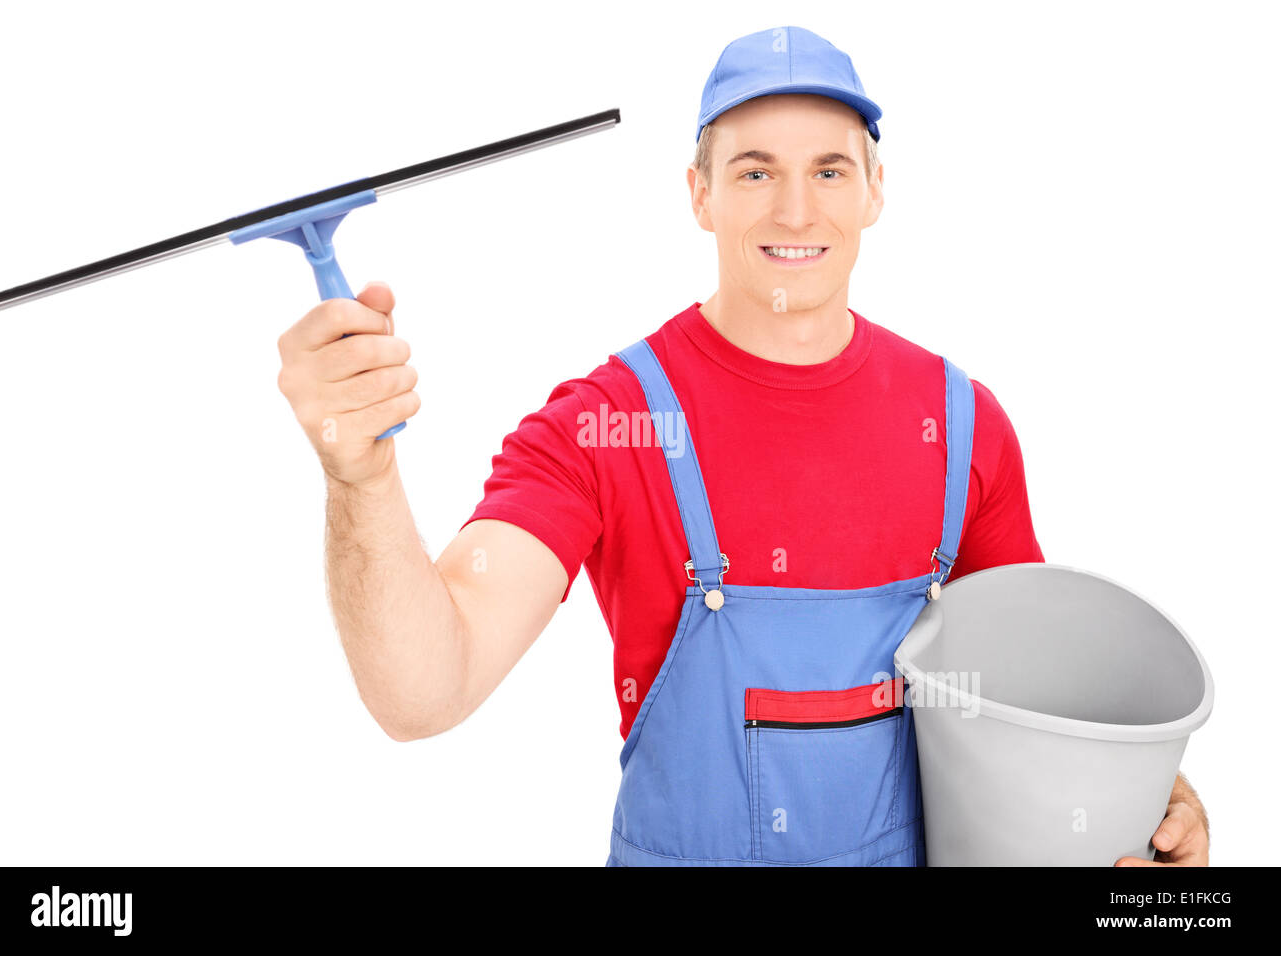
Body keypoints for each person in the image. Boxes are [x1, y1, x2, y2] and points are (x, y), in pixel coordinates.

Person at [274, 25, 1208, 866]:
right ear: (700, 194)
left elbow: (1025, 719)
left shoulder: (964, 428)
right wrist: (362, 476)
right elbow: (423, 690)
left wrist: (1136, 813)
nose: (796, 212)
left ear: (876, 189)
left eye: (830, 171)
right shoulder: (608, 426)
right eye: (756, 170)